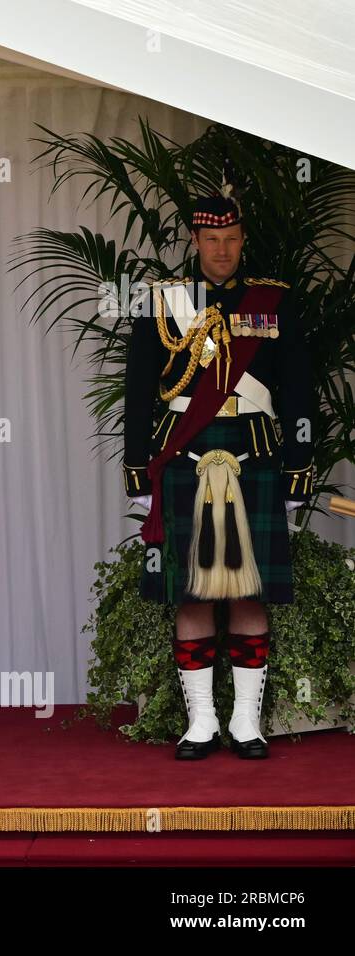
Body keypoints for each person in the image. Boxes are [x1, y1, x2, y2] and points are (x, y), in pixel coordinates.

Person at [123, 181, 315, 761]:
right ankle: (200, 722)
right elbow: (138, 393)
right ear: (196, 239)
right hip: (182, 458)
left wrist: (297, 475)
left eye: (231, 238)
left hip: (256, 456)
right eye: (212, 239)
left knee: (250, 592)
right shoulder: (164, 301)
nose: (223, 249)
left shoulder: (273, 301)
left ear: (242, 239)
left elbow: (299, 391)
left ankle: (247, 723)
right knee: (192, 595)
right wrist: (138, 474)